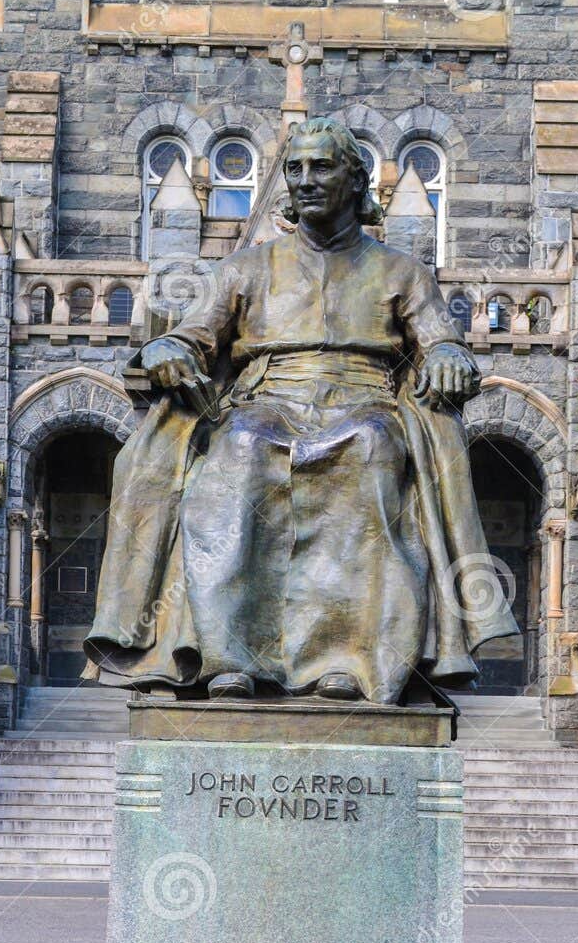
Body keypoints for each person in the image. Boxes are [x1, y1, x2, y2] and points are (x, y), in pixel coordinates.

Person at [85, 116, 517, 703]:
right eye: (295, 169)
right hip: (265, 402)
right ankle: (229, 659)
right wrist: (166, 346)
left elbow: (440, 339)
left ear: (356, 180)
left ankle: (350, 662)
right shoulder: (245, 268)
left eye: (322, 167)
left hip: (367, 401)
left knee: (368, 450)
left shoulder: (402, 271)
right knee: (238, 450)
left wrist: (447, 355)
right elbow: (192, 336)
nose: (306, 180)